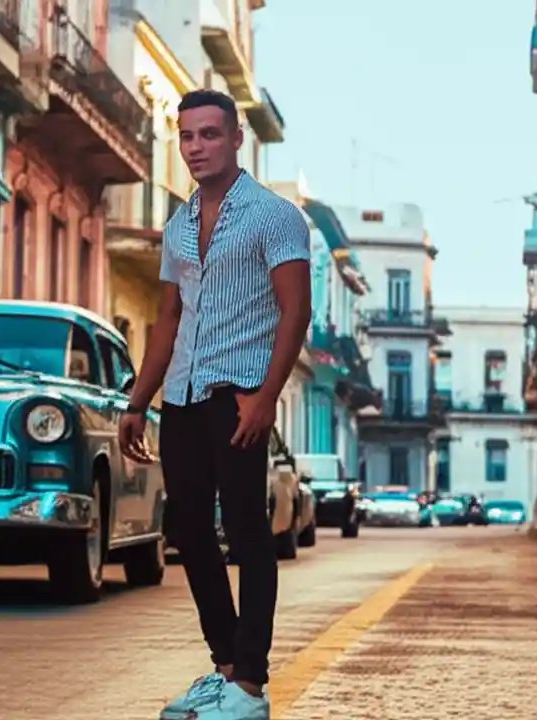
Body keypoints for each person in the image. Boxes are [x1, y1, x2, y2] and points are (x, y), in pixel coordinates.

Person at [117, 89, 312, 720]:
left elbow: (295, 312)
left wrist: (265, 397)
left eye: (208, 134)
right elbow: (167, 321)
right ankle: (226, 666)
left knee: (249, 534)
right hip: (182, 398)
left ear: (234, 139)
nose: (196, 147)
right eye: (187, 136)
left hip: (238, 394)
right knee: (189, 532)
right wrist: (136, 402)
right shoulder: (177, 225)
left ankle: (250, 685)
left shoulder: (274, 216)